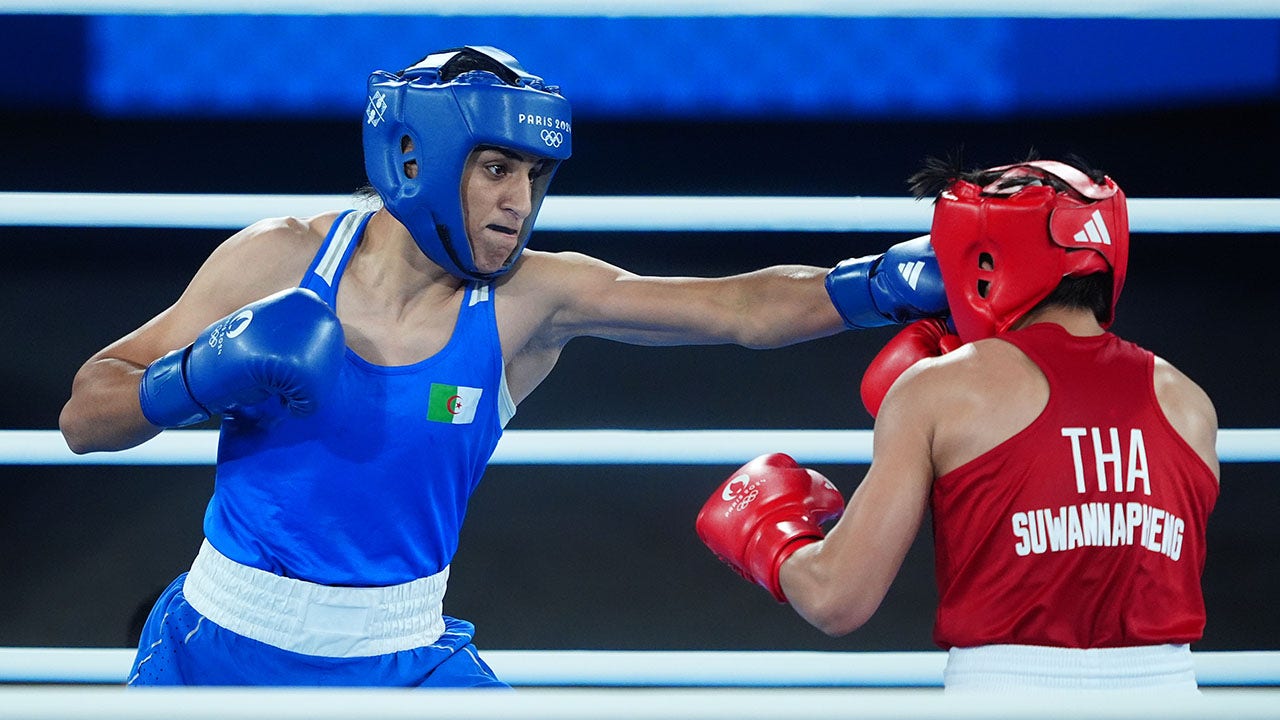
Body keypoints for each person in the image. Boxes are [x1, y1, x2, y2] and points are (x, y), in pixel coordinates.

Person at [58, 46, 946, 688]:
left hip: (402, 660)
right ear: (415, 157)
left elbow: (738, 308)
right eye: (494, 169)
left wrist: (879, 284)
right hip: (213, 646)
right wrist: (191, 380)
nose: (519, 202)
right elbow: (83, 417)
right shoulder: (279, 261)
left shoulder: (531, 299)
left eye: (533, 175)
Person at [697, 157, 1220, 692]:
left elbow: (836, 598)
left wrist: (772, 537)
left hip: (1005, 693)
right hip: (1169, 691)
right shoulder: (1189, 405)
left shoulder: (941, 389)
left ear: (980, 260)